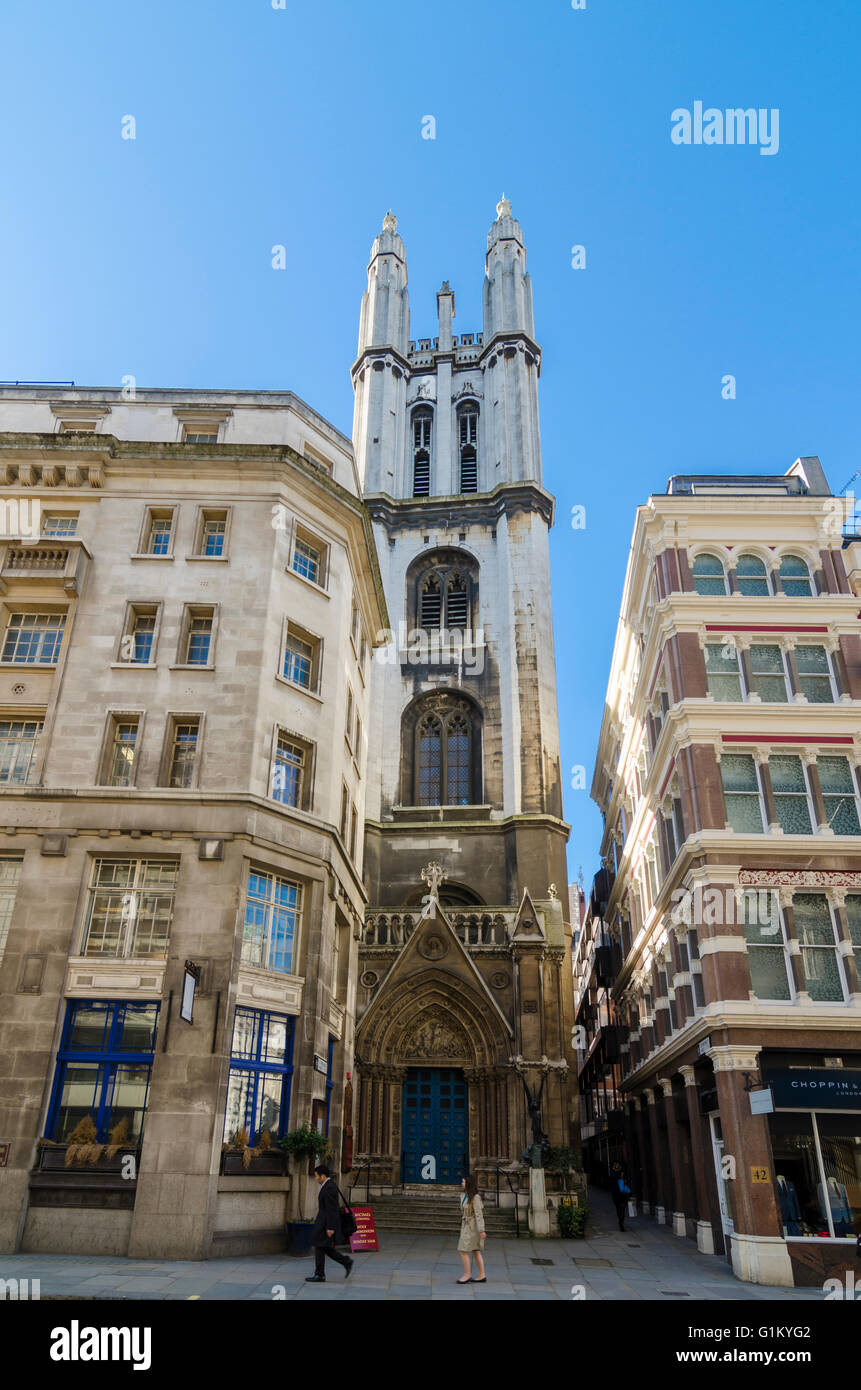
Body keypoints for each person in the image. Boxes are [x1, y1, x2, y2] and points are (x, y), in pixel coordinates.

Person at [305, 1163, 354, 1283]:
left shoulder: (329, 1187)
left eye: (316, 1176)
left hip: (326, 1222)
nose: (315, 1178)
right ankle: (345, 1262)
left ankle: (320, 1274)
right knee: (322, 1246)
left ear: (322, 1176)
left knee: (319, 1245)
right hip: (323, 1220)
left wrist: (330, 1227)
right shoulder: (327, 1185)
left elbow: (332, 1209)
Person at [456, 1174, 486, 1283]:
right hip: (465, 1225)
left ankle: (467, 1275)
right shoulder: (463, 1195)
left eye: (463, 1182)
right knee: (475, 1250)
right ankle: (482, 1275)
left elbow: (479, 1214)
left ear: (468, 1183)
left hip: (472, 1227)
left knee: (462, 1250)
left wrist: (481, 1230)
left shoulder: (475, 1197)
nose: (461, 1183)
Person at [610, 1161, 632, 1232]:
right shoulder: (622, 1174)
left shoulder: (612, 1174)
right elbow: (627, 1183)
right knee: (622, 1208)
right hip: (622, 1194)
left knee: (618, 1208)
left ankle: (620, 1220)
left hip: (616, 1194)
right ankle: (621, 1221)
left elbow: (610, 1184)